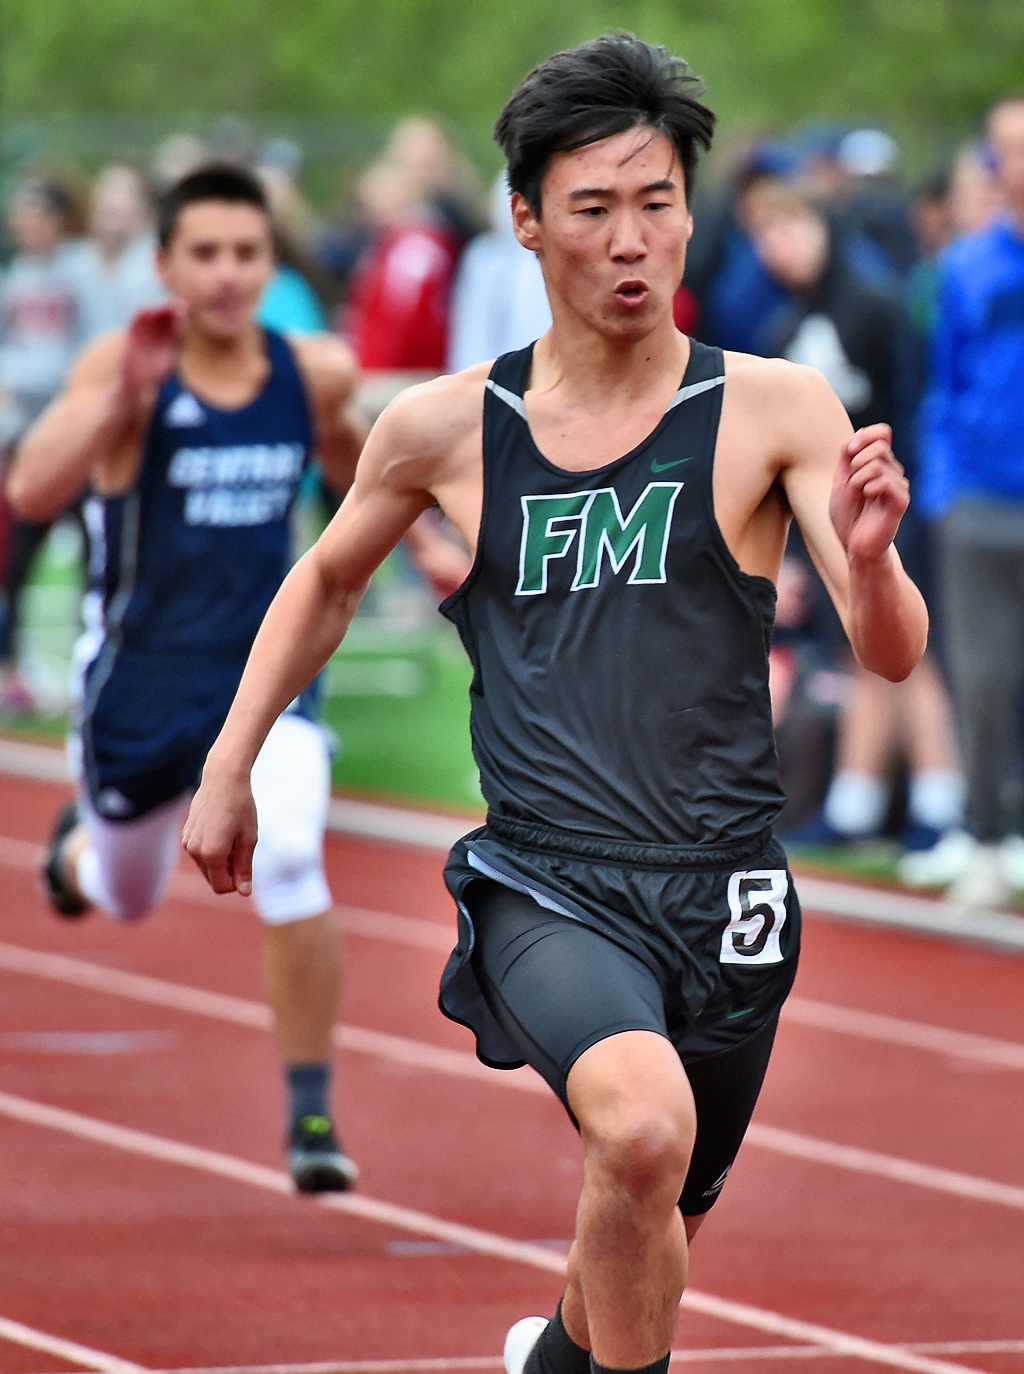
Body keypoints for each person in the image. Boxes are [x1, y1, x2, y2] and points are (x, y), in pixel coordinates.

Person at [183, 36, 926, 1374]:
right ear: (526, 221)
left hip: (732, 897)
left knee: (644, 1224)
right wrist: (232, 759)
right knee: (639, 1131)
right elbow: (326, 578)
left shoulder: (775, 409)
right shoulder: (448, 427)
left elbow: (889, 655)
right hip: (553, 884)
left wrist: (869, 560)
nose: (632, 239)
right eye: (594, 209)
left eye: (657, 203)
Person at [6, 162, 465, 1193]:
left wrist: (427, 543)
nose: (225, 273)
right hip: (137, 682)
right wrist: (122, 394)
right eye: (203, 254)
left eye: (245, 253)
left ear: (270, 262)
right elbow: (32, 485)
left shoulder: (304, 374)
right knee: (125, 895)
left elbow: (360, 471)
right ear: (165, 264)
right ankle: (75, 859)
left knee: (293, 854)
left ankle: (311, 1115)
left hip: (267, 676)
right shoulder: (127, 365)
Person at [745, 180, 963, 850]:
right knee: (857, 649)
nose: (778, 248)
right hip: (828, 515)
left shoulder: (874, 305)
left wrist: (918, 498)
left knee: (912, 651)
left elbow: (914, 401)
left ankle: (940, 802)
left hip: (901, 501)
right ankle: (857, 802)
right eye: (765, 236)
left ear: (822, 228)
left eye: (791, 228)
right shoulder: (780, 330)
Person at [911, 96, 1024, 905]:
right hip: (980, 502)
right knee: (982, 681)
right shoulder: (964, 266)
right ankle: (989, 840)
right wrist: (943, 490)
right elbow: (938, 386)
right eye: (1007, 150)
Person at [0, 177, 91, 715]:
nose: (27, 223)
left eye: (37, 213)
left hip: (75, 435)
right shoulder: (14, 276)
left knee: (96, 555)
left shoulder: (78, 272)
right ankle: (11, 668)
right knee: (17, 555)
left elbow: (83, 350)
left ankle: (92, 664)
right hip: (28, 439)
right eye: (21, 214)